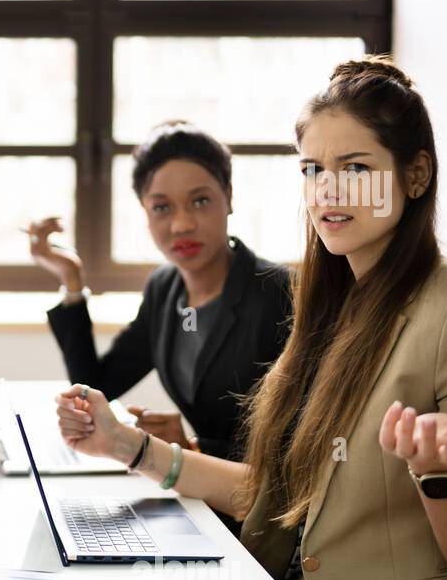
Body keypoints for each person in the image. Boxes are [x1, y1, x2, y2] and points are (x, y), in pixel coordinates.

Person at [19, 57, 447, 580]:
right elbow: (283, 495)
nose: (327, 190)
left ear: (415, 175)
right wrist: (128, 447)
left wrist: (440, 476)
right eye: (311, 169)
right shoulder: (336, 304)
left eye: (354, 167)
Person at [27, 121, 291, 465]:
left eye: (200, 201)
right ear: (146, 213)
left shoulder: (279, 292)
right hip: (199, 498)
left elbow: (299, 445)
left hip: (261, 509)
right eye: (162, 207)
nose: (181, 224)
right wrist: (72, 279)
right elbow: (94, 385)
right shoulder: (165, 289)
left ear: (228, 197)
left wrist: (192, 449)